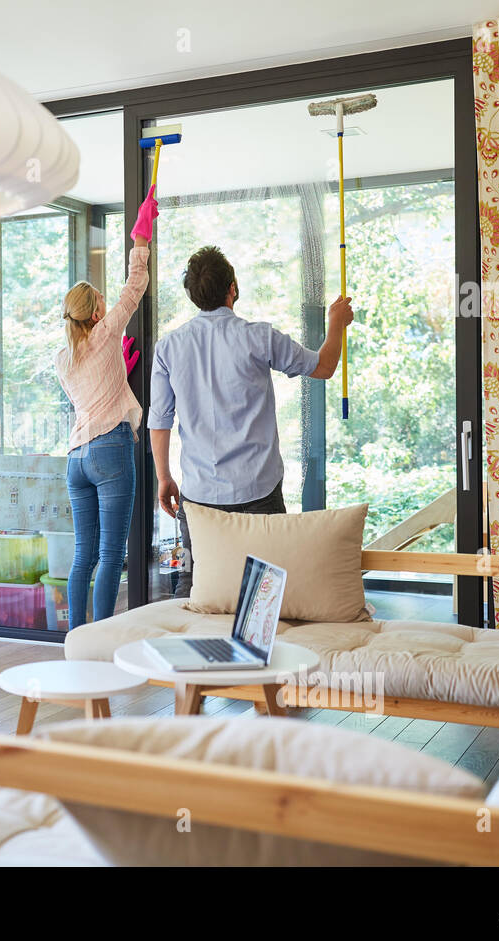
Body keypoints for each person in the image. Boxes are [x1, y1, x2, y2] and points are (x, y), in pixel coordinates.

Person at [148, 245, 353, 594]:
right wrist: (336, 325)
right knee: (264, 592)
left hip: (198, 495)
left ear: (194, 295)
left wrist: (164, 477)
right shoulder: (259, 337)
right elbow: (325, 366)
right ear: (233, 288)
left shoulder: (169, 347)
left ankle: (189, 646)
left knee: (194, 585)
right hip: (258, 492)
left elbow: (160, 419)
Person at [54, 187, 160, 629]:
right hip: (109, 450)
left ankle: (76, 640)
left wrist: (120, 368)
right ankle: (101, 642)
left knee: (84, 556)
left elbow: (94, 386)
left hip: (76, 458)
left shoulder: (62, 357)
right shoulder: (104, 333)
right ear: (96, 313)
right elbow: (135, 288)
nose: (106, 304)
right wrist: (141, 238)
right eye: (100, 301)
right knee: (112, 554)